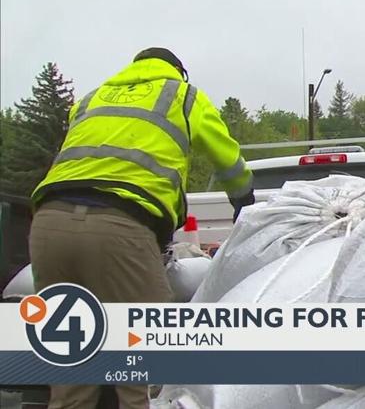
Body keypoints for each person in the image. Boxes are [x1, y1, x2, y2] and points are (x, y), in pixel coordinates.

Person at [29, 47, 254, 408]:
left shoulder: (92, 98)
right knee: (143, 367)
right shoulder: (182, 95)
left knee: (71, 371)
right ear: (179, 71)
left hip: (48, 225)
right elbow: (227, 159)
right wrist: (244, 199)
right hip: (119, 224)